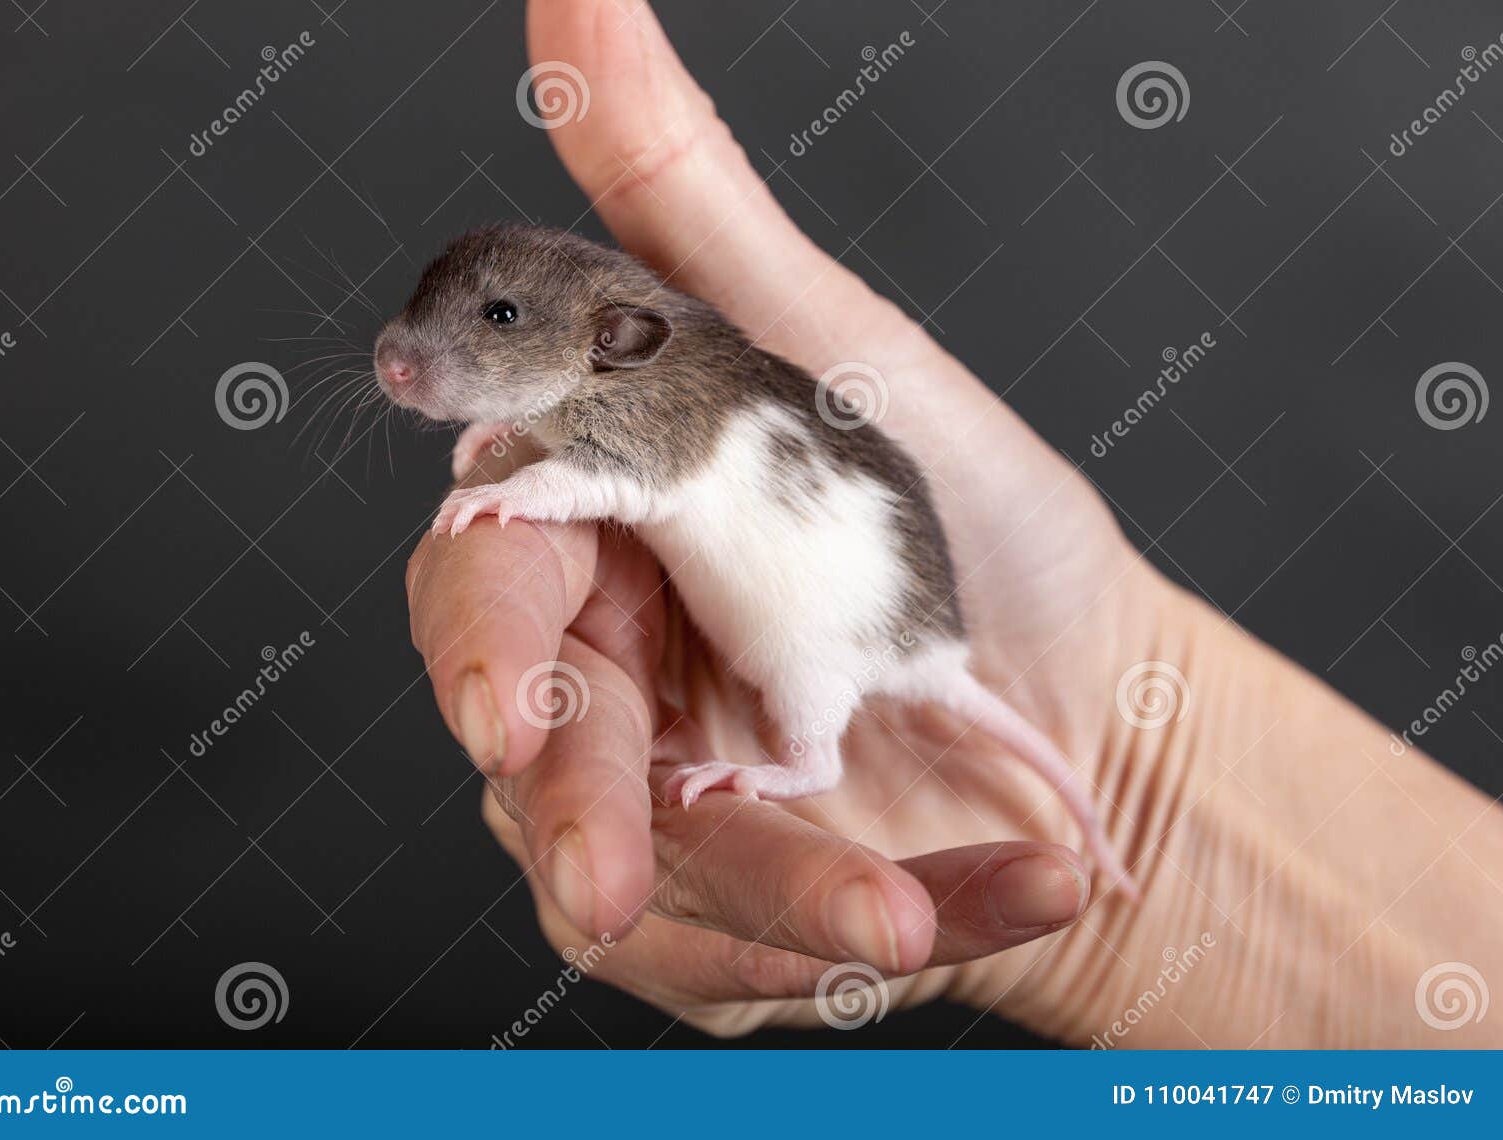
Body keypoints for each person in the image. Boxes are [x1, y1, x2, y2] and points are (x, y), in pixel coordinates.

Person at [404, 0, 1503, 1045]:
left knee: (801, 650)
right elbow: (587, 457)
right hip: (857, 564)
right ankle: (1089, 850)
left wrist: (522, 484)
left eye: (495, 322)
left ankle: (806, 765)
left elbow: (634, 482)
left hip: (856, 605)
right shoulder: (638, 373)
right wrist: (519, 457)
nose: (412, 352)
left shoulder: (662, 399)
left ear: (617, 341)